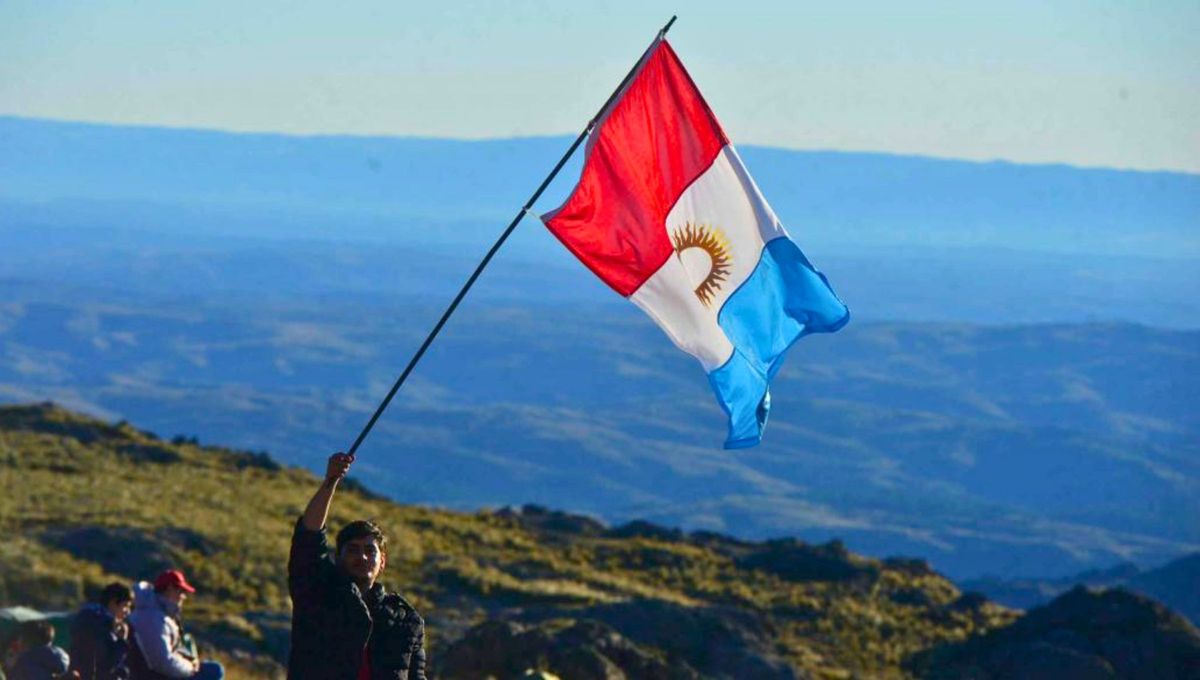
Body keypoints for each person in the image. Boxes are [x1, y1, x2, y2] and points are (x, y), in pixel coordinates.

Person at [288, 452, 426, 680]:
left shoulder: (406, 620)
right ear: (338, 557)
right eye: (353, 550)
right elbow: (308, 537)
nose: (362, 557)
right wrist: (330, 482)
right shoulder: (317, 594)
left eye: (370, 551)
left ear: (383, 562)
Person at [127, 571, 223, 680]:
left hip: (162, 673)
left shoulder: (158, 613)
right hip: (157, 676)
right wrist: (190, 668)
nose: (183, 597)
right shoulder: (152, 618)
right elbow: (162, 662)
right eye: (181, 591)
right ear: (170, 589)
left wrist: (189, 660)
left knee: (213, 669)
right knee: (214, 671)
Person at [70, 583, 133, 680]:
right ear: (113, 603)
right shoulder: (103, 626)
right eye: (125, 605)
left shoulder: (89, 618)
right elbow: (108, 665)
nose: (128, 611)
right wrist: (122, 641)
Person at [8, 620, 73, 680]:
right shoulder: (63, 658)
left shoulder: (25, 661)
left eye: (20, 637)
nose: (18, 641)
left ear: (27, 639)